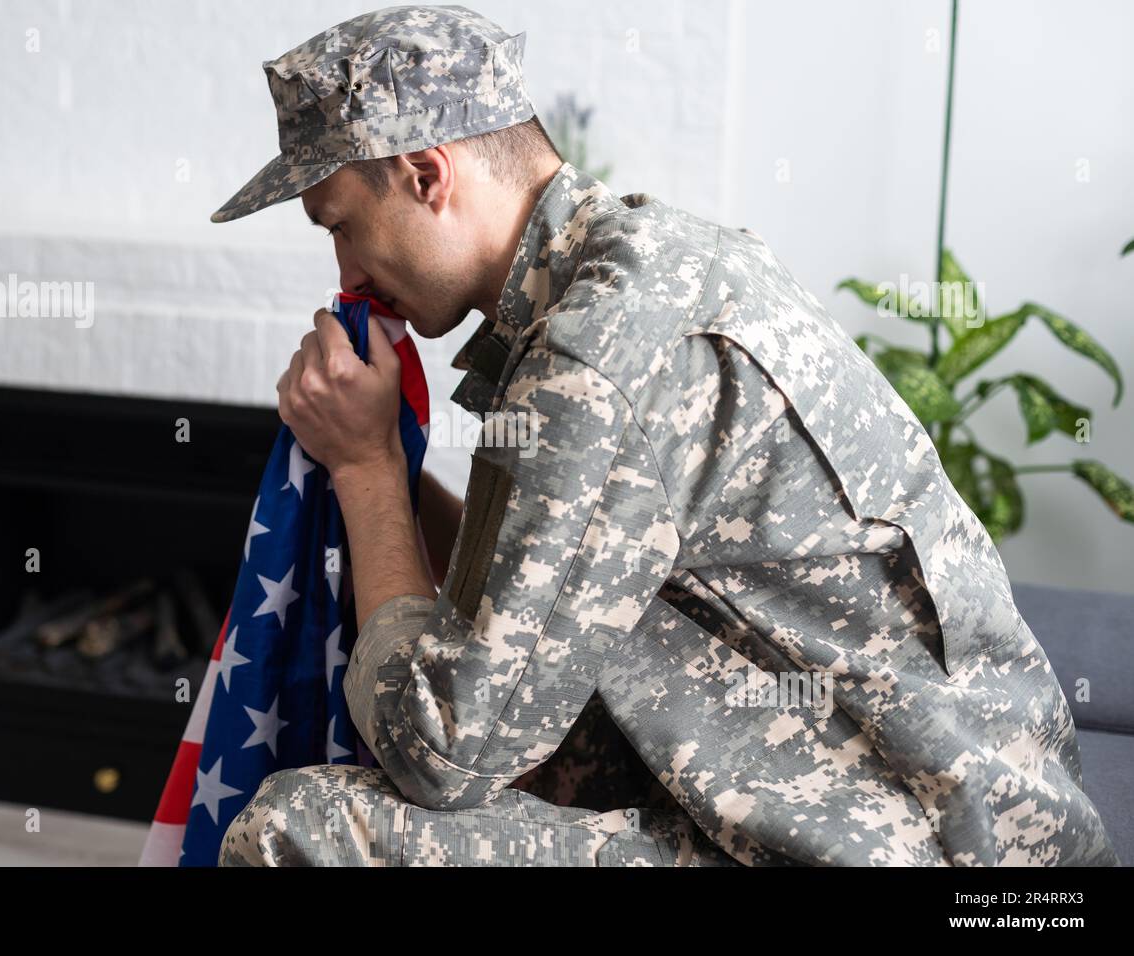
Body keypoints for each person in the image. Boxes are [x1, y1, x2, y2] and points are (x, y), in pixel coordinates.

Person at [210, 4, 1119, 866]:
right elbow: (500, 634)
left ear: (425, 176)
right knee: (545, 744)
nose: (347, 273)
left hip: (916, 850)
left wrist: (366, 467)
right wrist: (386, 468)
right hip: (876, 811)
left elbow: (442, 755)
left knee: (303, 830)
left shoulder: (599, 354)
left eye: (341, 226)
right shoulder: (643, 272)